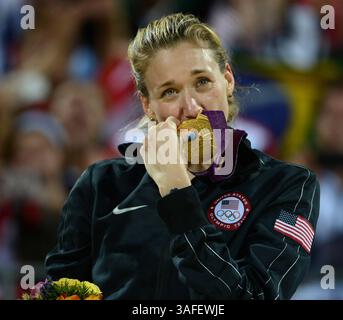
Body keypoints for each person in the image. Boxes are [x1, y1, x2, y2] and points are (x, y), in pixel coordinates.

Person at [45, 13, 320, 300]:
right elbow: (61, 292)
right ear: (148, 105)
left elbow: (255, 297)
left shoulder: (288, 185)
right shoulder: (100, 184)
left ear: (227, 80)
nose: (190, 107)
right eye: (169, 91)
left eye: (202, 82)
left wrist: (177, 194)